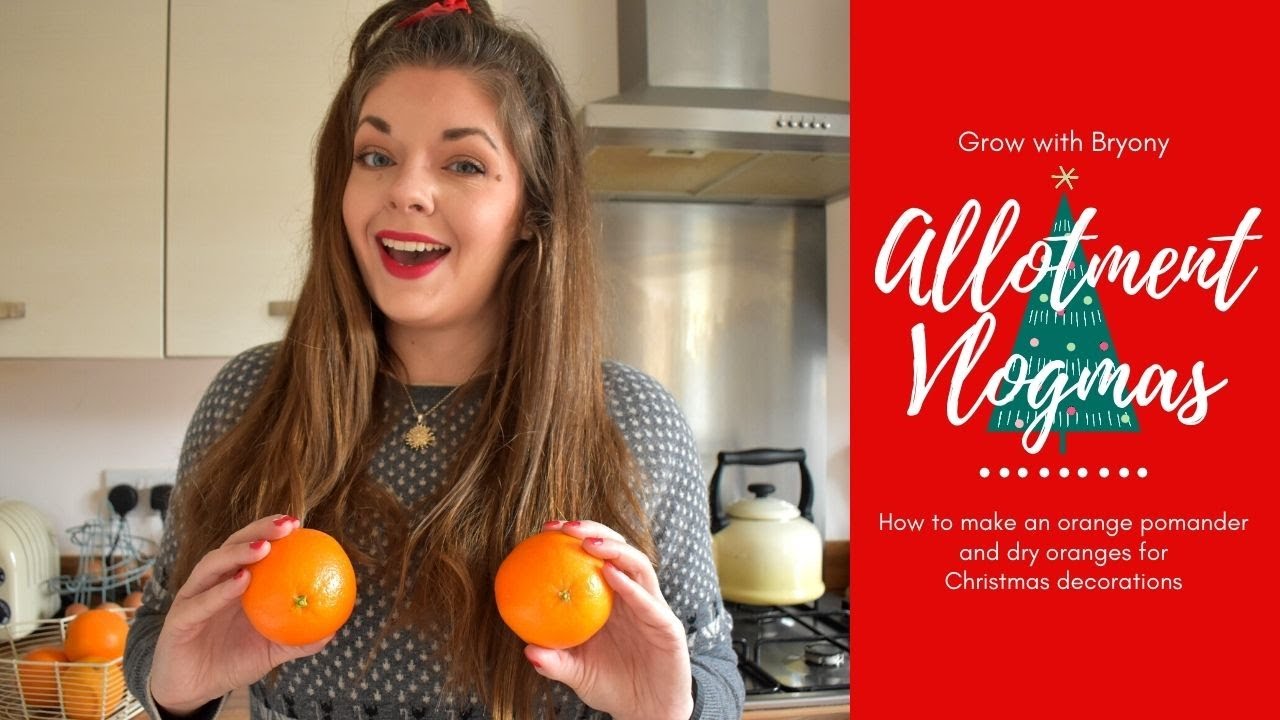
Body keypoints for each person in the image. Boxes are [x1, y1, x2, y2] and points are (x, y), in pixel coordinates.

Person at [122, 1, 744, 719]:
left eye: (464, 164)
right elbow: (152, 645)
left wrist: (675, 707)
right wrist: (174, 684)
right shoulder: (250, 397)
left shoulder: (631, 419)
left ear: (531, 213)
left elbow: (715, 674)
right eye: (376, 156)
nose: (405, 191)